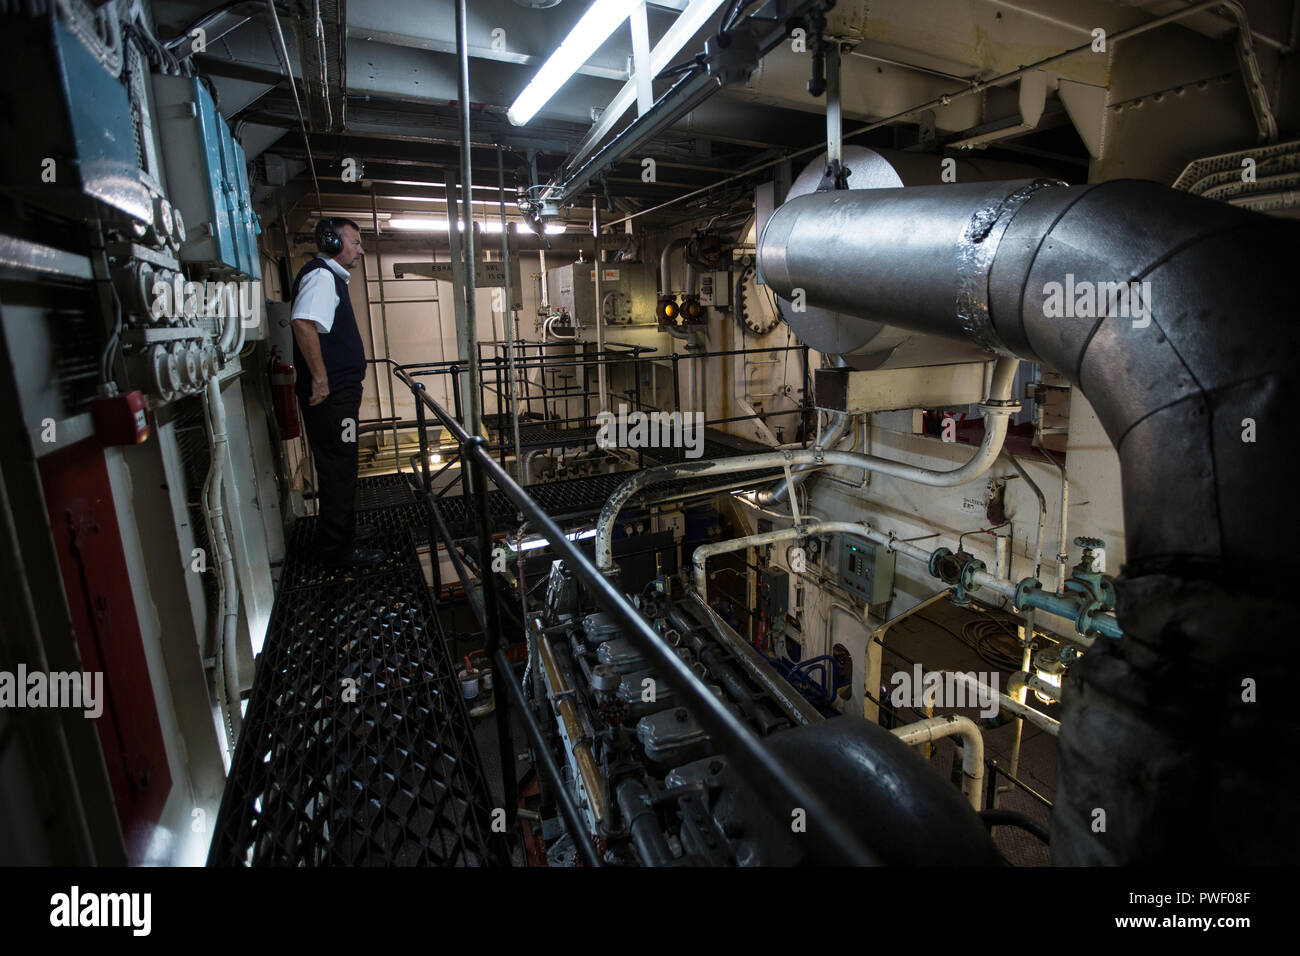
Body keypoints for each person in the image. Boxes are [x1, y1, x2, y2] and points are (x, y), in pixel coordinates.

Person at [290, 217, 383, 568]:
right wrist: (320, 379)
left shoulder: (328, 278)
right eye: (355, 242)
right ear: (332, 242)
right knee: (339, 468)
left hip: (339, 398)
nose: (360, 249)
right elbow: (303, 321)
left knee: (341, 466)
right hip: (333, 400)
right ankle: (339, 553)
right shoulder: (322, 277)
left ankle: (342, 533)